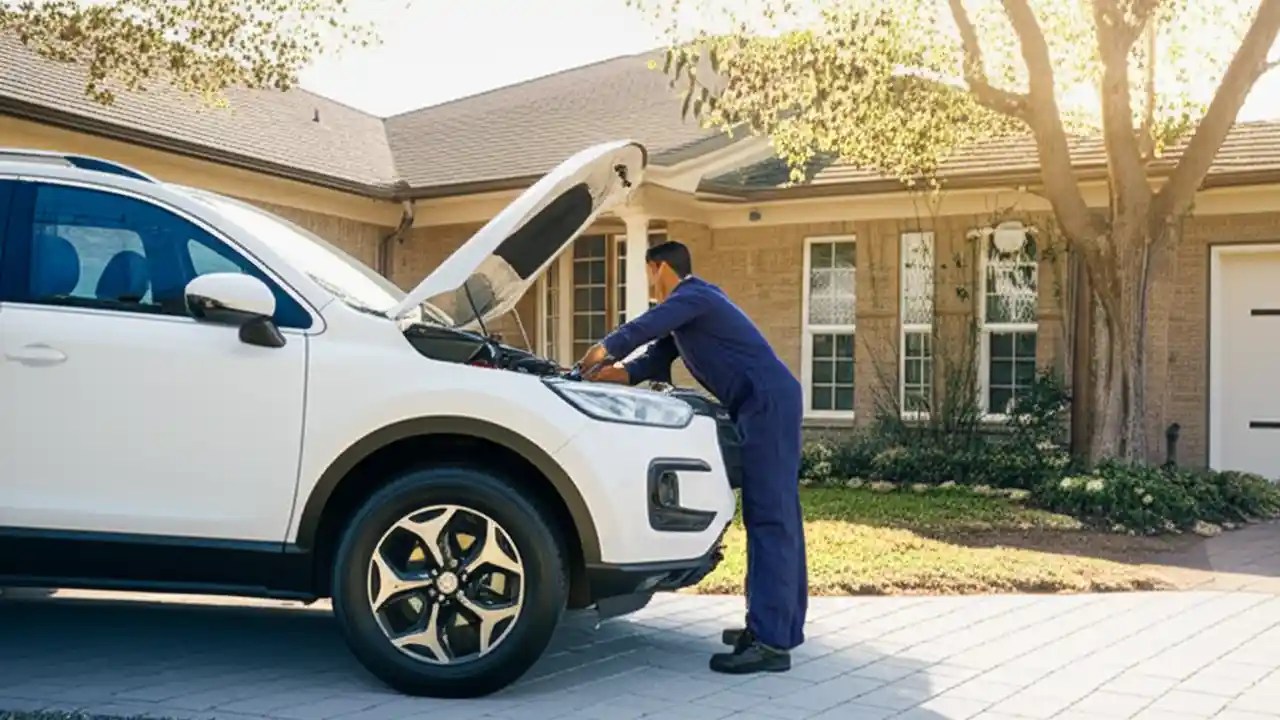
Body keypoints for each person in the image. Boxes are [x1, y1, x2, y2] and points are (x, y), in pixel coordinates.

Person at [578, 240, 808, 675]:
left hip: (769, 403)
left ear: (659, 267)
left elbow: (642, 329)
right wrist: (607, 373)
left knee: (771, 518)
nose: (648, 283)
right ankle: (771, 627)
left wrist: (603, 347)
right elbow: (648, 360)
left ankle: (772, 645)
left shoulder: (695, 296)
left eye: (647, 273)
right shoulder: (687, 317)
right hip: (759, 405)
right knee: (769, 517)